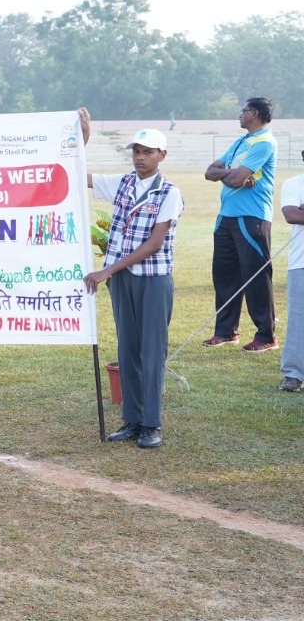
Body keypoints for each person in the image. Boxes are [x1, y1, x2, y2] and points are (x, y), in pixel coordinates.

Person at [79, 112, 182, 450]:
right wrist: (85, 136)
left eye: (147, 152)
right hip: (122, 280)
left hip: (152, 281)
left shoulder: (169, 192)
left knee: (152, 351)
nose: (140, 157)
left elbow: (154, 244)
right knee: (128, 348)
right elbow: (79, 176)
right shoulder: (122, 183)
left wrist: (106, 270)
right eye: (136, 151)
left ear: (161, 156)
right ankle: (132, 420)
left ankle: (152, 424)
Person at [204, 96, 278, 350]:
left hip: (252, 215)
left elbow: (236, 180)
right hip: (227, 216)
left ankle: (266, 336)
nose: (240, 113)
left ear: (255, 113)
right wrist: (230, 174)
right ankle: (226, 331)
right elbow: (209, 172)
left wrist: (230, 176)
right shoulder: (241, 142)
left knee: (256, 275)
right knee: (225, 275)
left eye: (244, 110)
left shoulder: (264, 142)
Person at [278, 150, 304, 393]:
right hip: (301, 262)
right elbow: (291, 214)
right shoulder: (294, 184)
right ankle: (293, 375)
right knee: (298, 319)